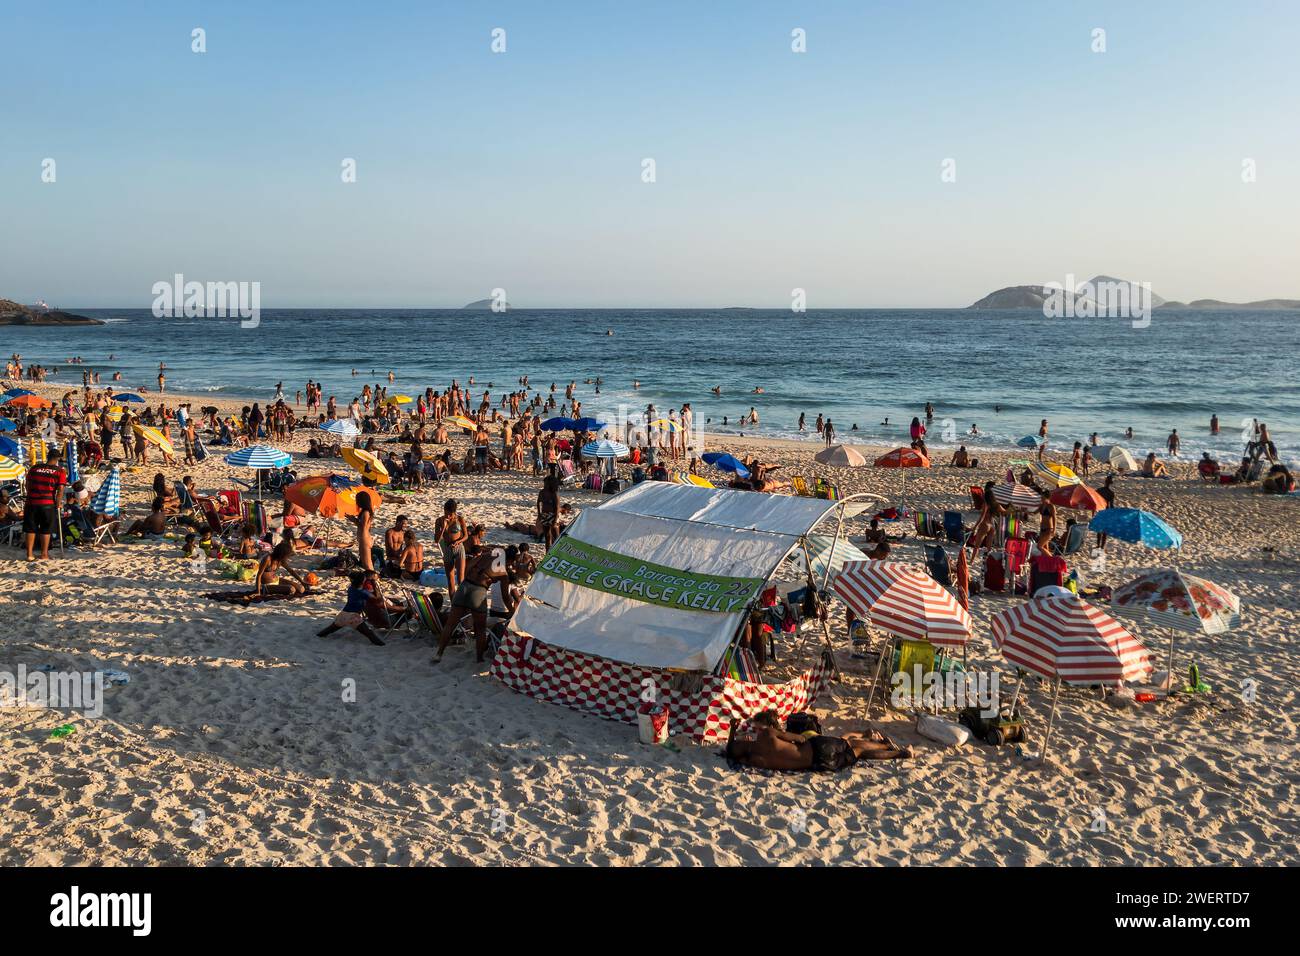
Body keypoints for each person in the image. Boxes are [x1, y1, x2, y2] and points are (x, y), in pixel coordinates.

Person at [433, 543, 531, 664]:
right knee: (480, 628)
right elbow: (506, 597)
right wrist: (512, 613)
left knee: (450, 624)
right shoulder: (503, 573)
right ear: (509, 560)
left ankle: (439, 653)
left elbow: (469, 565)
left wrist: (468, 580)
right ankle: (479, 659)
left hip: (465, 586)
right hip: (479, 591)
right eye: (511, 562)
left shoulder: (486, 555)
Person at [725, 711, 911, 771]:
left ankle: (898, 752)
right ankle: (888, 747)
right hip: (814, 747)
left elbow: (733, 749)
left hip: (817, 764)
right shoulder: (768, 734)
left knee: (857, 753)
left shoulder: (753, 761)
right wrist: (734, 731)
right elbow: (798, 738)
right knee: (852, 745)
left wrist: (734, 737)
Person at [316, 570, 386, 645]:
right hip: (353, 617)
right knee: (369, 634)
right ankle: (382, 645)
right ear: (362, 582)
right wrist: (374, 585)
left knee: (330, 629)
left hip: (343, 614)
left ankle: (319, 635)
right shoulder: (363, 592)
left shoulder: (351, 589)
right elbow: (378, 600)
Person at [23, 448, 66, 561]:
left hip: (31, 502)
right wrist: (58, 503)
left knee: (30, 529)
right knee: (46, 529)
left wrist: (30, 495)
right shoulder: (59, 471)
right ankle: (44, 554)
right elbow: (60, 489)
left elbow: (27, 484)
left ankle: (29, 555)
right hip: (47, 503)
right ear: (57, 459)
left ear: (47, 457)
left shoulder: (34, 468)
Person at [435, 498, 467, 591]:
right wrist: (443, 527)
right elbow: (437, 540)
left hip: (459, 548)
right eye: (446, 513)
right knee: (450, 579)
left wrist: (458, 542)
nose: (448, 516)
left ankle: (461, 601)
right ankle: (453, 603)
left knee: (461, 579)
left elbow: (466, 536)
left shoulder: (460, 519)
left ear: (454, 512)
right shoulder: (439, 521)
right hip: (447, 548)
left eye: (450, 514)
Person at [348, 490, 376, 571]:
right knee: (365, 563)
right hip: (365, 539)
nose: (356, 501)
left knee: (368, 565)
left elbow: (363, 527)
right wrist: (353, 519)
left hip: (365, 539)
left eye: (357, 499)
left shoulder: (365, 513)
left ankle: (373, 580)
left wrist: (354, 520)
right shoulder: (366, 512)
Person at [1095, 475, 1116, 550]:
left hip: (1099, 510)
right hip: (1106, 511)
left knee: (1099, 530)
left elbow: (1095, 502)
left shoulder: (1099, 490)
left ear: (1105, 481)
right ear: (1111, 483)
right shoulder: (1111, 493)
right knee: (1105, 531)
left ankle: (1098, 545)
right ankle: (1102, 546)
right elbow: (1111, 505)